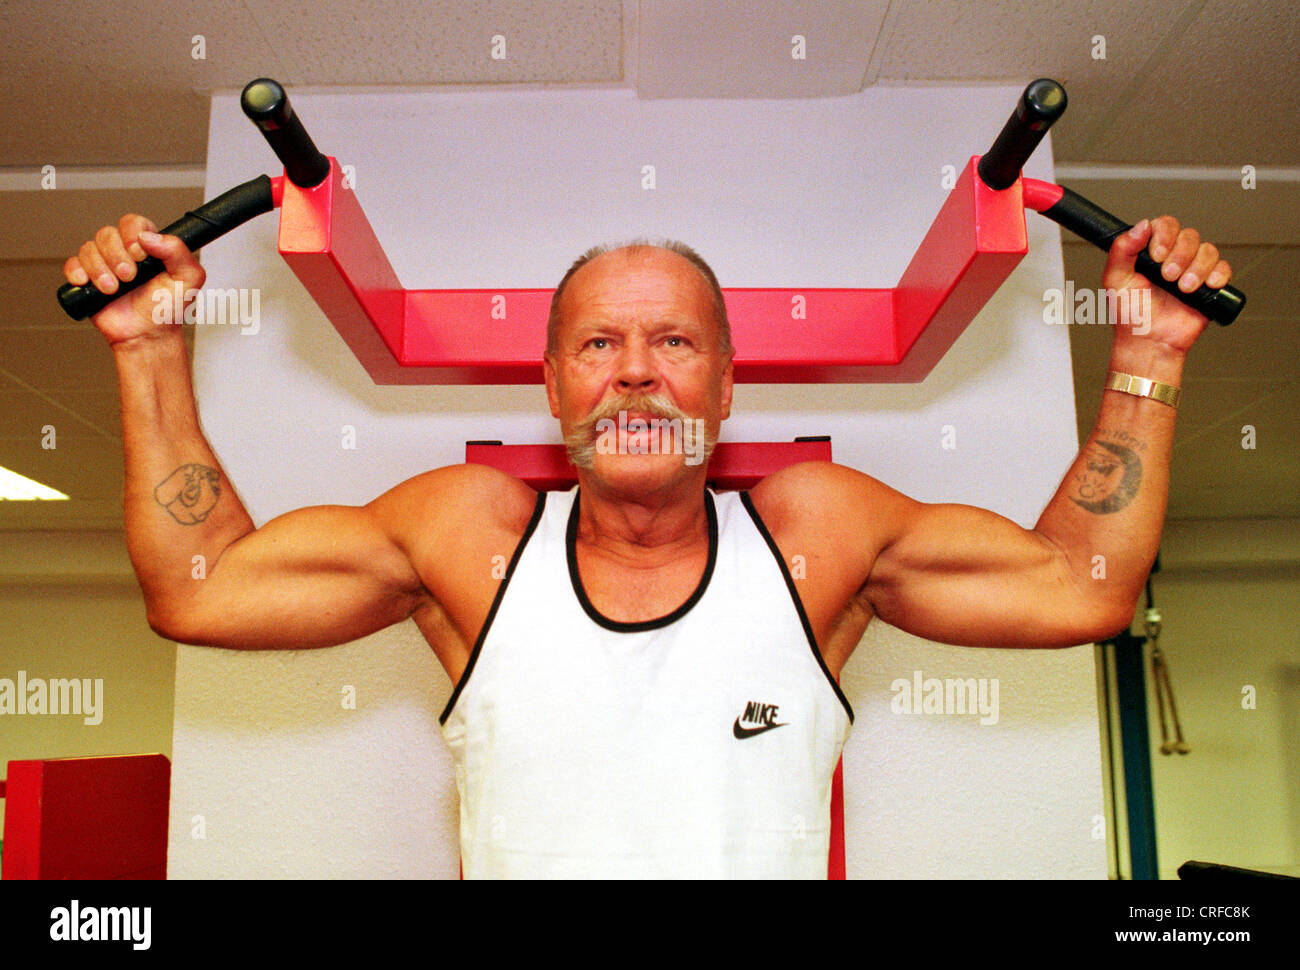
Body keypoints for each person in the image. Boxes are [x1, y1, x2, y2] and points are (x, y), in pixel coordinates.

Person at [64, 214, 1231, 877]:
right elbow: (202, 591)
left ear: (724, 386)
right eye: (597, 345)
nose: (634, 372)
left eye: (674, 342)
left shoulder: (813, 533)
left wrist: (1149, 353)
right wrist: (147, 345)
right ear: (552, 385)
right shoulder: (470, 536)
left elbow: (1080, 588)